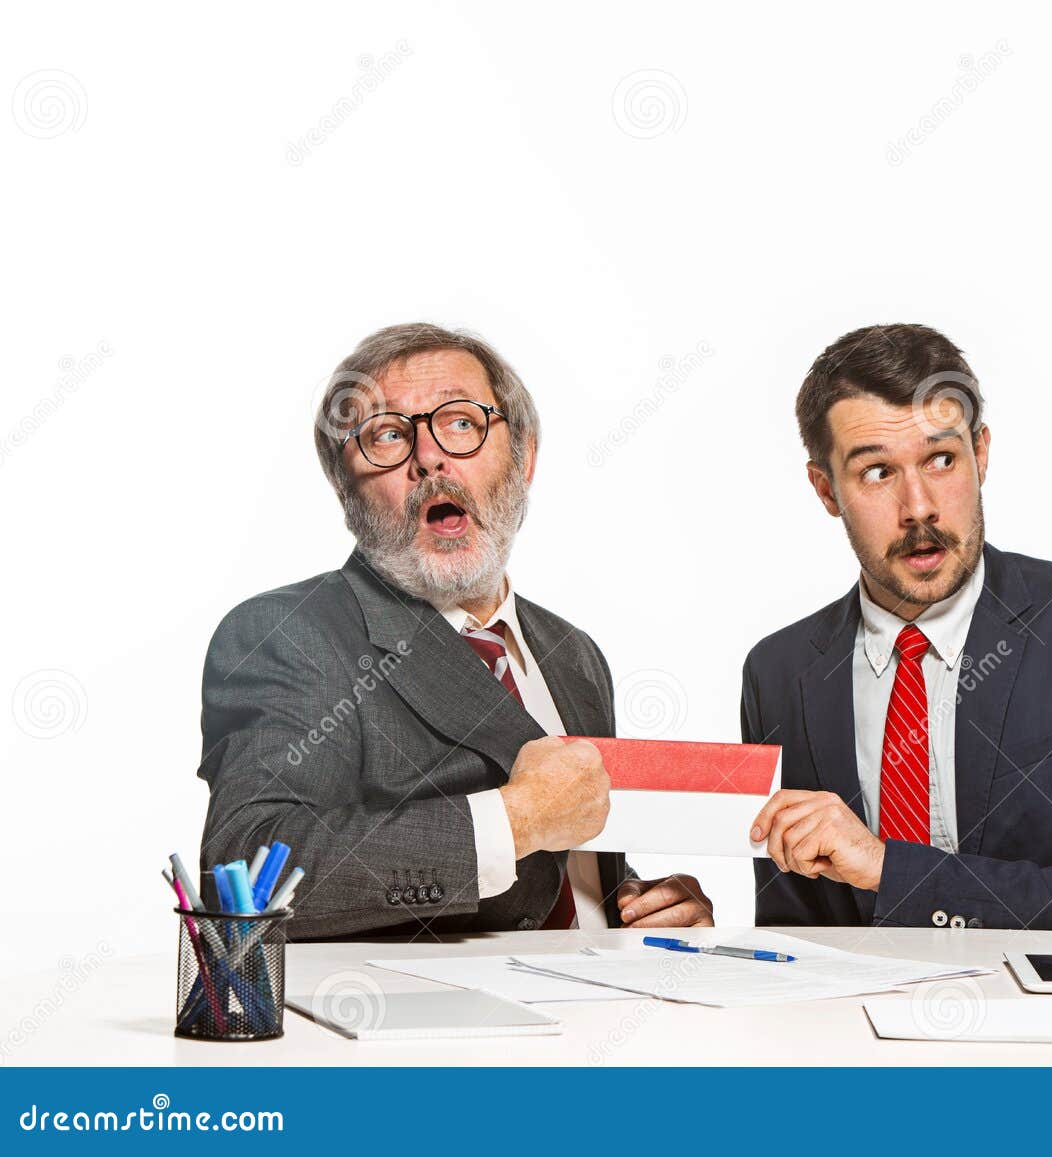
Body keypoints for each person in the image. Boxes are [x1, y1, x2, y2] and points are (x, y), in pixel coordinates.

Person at [198, 323, 711, 938]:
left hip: (593, 1014)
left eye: (462, 423)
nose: (430, 457)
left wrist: (640, 909)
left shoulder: (574, 654)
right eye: (388, 436)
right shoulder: (287, 634)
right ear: (345, 493)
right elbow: (247, 872)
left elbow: (562, 871)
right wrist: (514, 821)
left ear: (524, 459)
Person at [744, 323, 1052, 934]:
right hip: (860, 1026)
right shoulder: (780, 671)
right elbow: (797, 935)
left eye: (940, 459)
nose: (919, 507)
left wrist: (890, 868)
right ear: (826, 489)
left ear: (980, 454)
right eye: (877, 472)